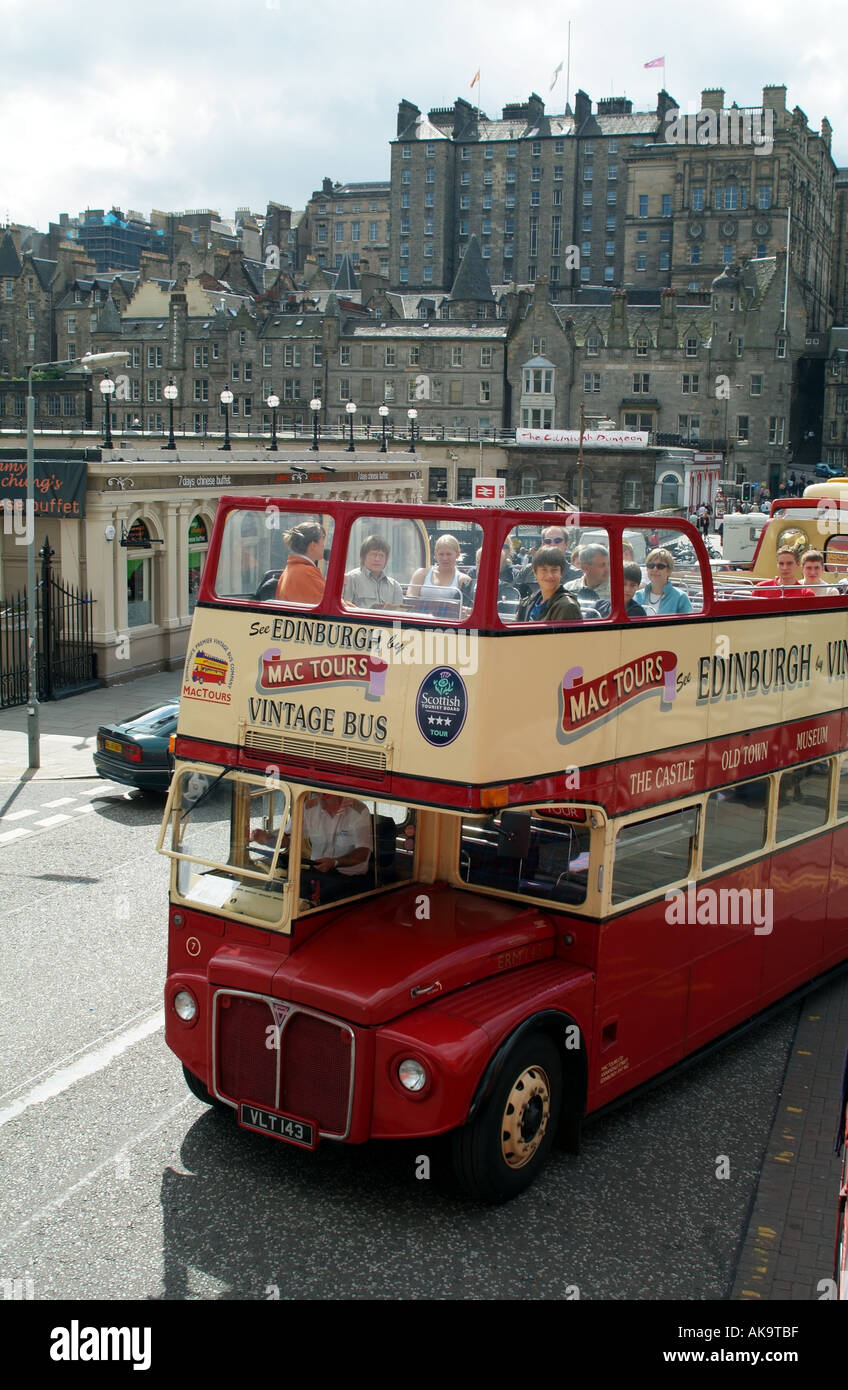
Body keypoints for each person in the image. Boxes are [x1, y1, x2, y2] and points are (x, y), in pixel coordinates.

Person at [292, 793, 373, 905]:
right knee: (288, 892)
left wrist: (335, 862)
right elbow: (288, 837)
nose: (321, 798)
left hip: (349, 878)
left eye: (325, 795)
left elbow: (363, 853)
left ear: (338, 794)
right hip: (316, 872)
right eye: (318, 793)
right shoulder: (308, 807)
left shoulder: (359, 811)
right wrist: (267, 838)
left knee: (315, 904)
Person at [516, 546, 582, 623]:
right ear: (535, 572)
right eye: (544, 570)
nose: (549, 575)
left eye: (554, 570)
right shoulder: (529, 601)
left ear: (561, 572)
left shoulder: (567, 606)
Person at [408, 534, 473, 607]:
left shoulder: (464, 580)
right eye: (441, 554)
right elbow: (409, 602)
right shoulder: (421, 574)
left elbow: (466, 609)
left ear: (457, 554)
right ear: (435, 555)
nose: (445, 558)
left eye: (448, 554)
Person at [343, 534, 405, 609]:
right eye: (373, 554)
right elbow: (344, 609)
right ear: (363, 556)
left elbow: (398, 617)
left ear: (387, 559)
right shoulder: (350, 579)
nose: (377, 559)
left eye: (381, 555)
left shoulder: (395, 586)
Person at [275, 521, 326, 603]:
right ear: (313, 545)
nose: (324, 545)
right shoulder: (307, 573)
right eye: (323, 540)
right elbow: (329, 603)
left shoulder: (292, 569)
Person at [636, 548, 693, 615]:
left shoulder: (681, 598)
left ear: (669, 571)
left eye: (660, 566)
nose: (655, 569)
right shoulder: (637, 596)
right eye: (651, 565)